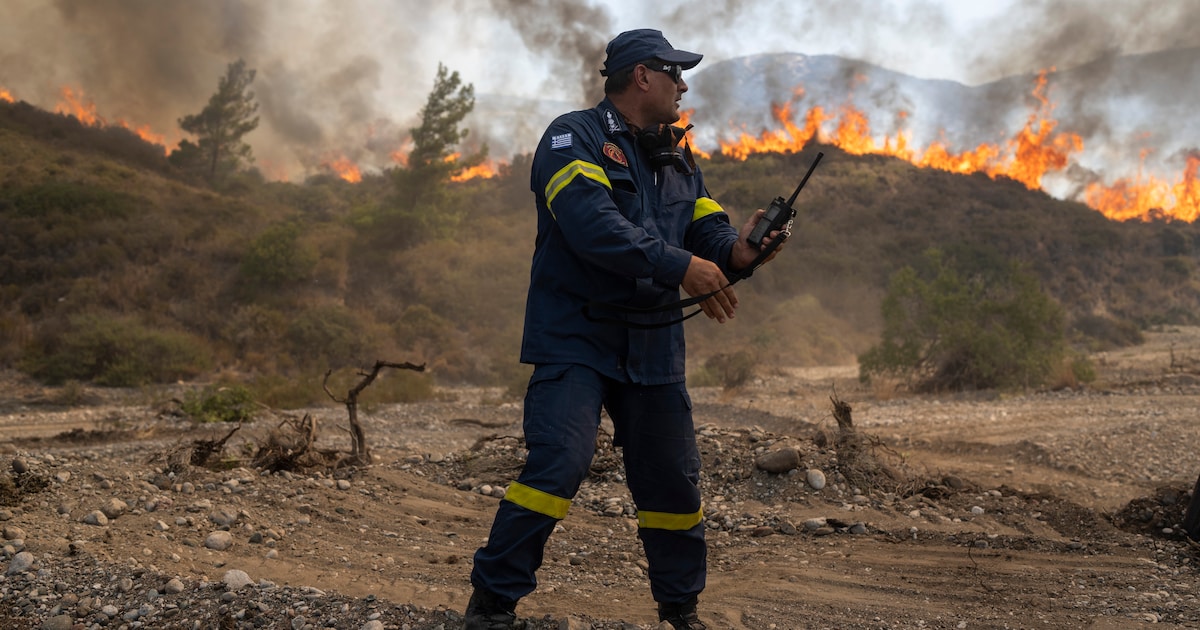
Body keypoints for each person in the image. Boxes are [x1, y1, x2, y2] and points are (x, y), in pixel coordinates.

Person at [464, 28, 785, 630]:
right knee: (559, 461)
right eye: (675, 73)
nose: (684, 85)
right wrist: (682, 266)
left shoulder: (679, 154)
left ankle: (680, 610)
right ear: (642, 75)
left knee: (672, 483)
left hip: (654, 346)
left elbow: (708, 234)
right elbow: (593, 229)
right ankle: (492, 603)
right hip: (577, 338)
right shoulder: (571, 137)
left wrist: (743, 251)